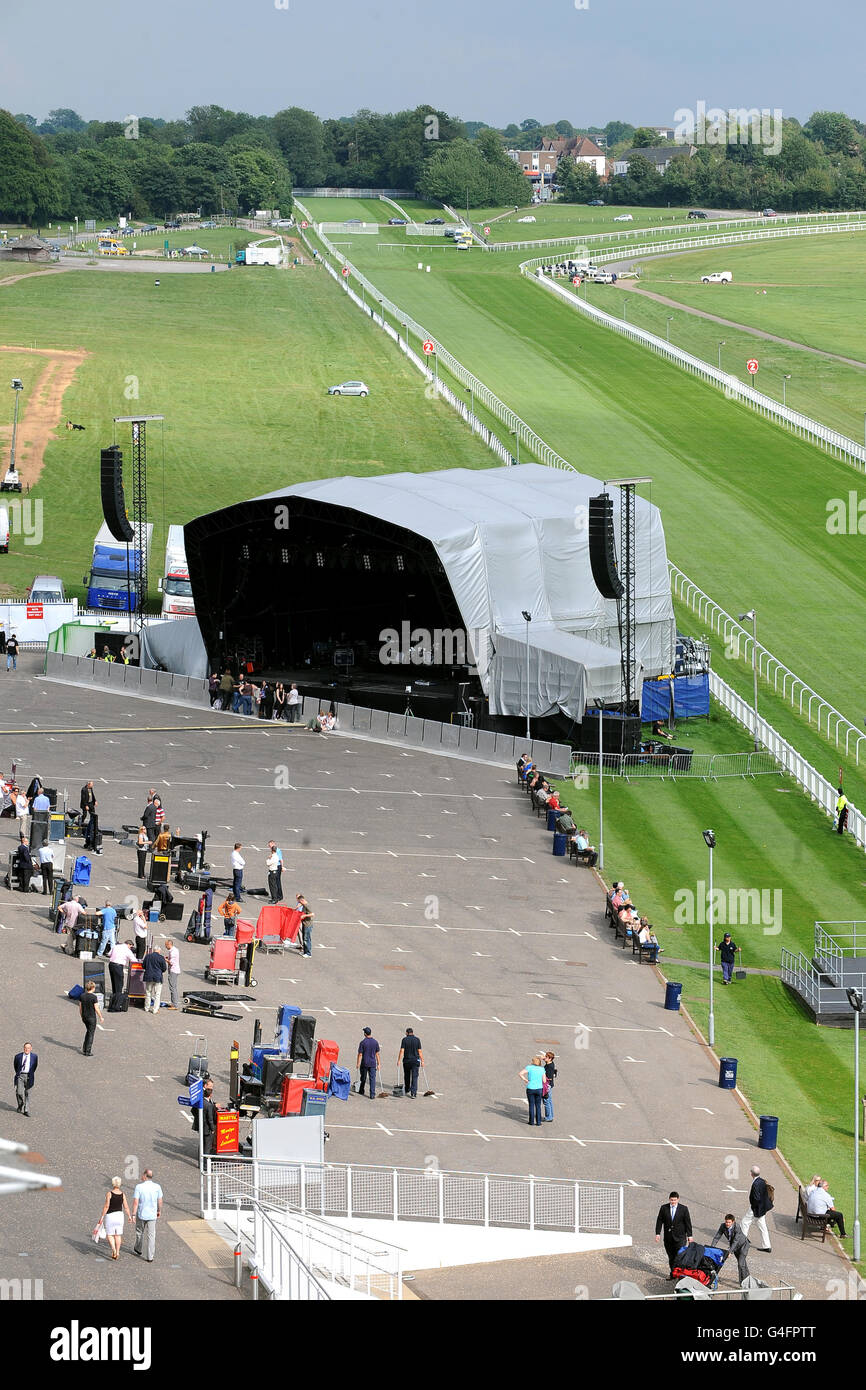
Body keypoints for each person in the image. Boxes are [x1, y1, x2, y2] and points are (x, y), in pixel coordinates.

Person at [655, 1191, 693, 1277]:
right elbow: (659, 1221)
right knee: (671, 1257)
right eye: (671, 1200)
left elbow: (688, 1223)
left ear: (678, 1199)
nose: (673, 1202)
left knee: (679, 1256)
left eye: (675, 1200)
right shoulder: (664, 1208)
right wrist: (658, 1233)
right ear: (669, 1199)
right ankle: (673, 1273)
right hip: (668, 1238)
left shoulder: (684, 1209)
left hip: (680, 1237)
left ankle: (680, 1273)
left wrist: (690, 1236)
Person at [132, 1169, 163, 1262]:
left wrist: (133, 1214)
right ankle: (150, 1256)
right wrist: (159, 1210)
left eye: (142, 1174)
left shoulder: (139, 1187)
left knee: (139, 1231)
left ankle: (138, 1248)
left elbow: (136, 1202)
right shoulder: (157, 1187)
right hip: (152, 1214)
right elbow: (160, 1200)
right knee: (151, 1235)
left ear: (145, 1175)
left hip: (141, 1213)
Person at [711, 1213, 751, 1284]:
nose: (727, 1224)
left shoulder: (737, 1227)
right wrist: (711, 1247)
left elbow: (736, 1241)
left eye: (729, 1222)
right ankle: (748, 1279)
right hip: (735, 1247)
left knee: (741, 1264)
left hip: (743, 1246)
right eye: (726, 1222)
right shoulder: (722, 1226)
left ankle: (743, 1283)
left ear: (733, 1222)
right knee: (742, 1263)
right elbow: (717, 1237)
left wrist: (729, 1252)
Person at [740, 1165, 774, 1251]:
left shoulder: (755, 1184)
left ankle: (742, 1242)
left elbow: (756, 1198)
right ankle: (767, 1246)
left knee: (744, 1222)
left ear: (751, 1173)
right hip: (762, 1208)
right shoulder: (762, 1181)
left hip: (756, 1209)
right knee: (762, 1227)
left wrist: (753, 1207)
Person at [98, 1177, 132, 1260]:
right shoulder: (123, 1194)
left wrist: (102, 1217)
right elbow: (126, 1207)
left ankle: (113, 1249)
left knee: (110, 1235)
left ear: (113, 1183)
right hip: (120, 1216)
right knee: (118, 1235)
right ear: (120, 1184)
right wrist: (129, 1216)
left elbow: (106, 1206)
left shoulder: (109, 1194)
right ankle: (117, 1251)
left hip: (111, 1216)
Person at [108, 938, 135, 1010]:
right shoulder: (127, 950)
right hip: (118, 966)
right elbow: (134, 960)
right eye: (131, 946)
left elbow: (109, 954)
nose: (131, 948)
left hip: (111, 965)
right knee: (119, 985)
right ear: (128, 944)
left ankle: (113, 1000)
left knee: (114, 983)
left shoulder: (116, 946)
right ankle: (116, 1005)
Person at [519, 1054, 546, 1127]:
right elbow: (544, 1081)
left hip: (530, 1088)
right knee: (538, 1106)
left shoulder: (529, 1067)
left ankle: (531, 1121)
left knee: (531, 1105)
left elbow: (520, 1073)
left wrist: (525, 1080)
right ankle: (538, 1122)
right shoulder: (542, 1069)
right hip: (539, 1089)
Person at [398, 1027, 424, 1099]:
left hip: (407, 1061)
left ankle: (407, 1089)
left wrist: (399, 1060)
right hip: (415, 1061)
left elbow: (402, 1051)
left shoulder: (404, 1040)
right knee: (415, 1077)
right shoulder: (417, 1040)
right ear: (412, 1032)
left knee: (407, 1075)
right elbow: (420, 1051)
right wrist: (422, 1061)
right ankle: (413, 1093)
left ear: (407, 1033)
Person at [13, 1042, 37, 1116]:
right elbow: (15, 1066)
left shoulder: (34, 1057)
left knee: (27, 1093)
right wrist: (19, 1073)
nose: (27, 1049)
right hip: (20, 1076)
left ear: (31, 1049)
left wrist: (30, 1073)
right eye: (25, 1048)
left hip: (29, 1076)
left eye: (28, 1048)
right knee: (19, 1092)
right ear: (23, 1048)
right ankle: (21, 1104)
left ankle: (26, 1110)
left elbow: (35, 1066)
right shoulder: (18, 1056)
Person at [142, 944, 167, 1014]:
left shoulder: (148, 956)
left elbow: (143, 966)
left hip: (148, 976)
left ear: (153, 950)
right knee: (157, 994)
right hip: (158, 977)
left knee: (148, 992)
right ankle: (155, 1010)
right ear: (159, 951)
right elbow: (164, 968)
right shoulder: (161, 957)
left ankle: (146, 1007)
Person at [80, 981, 102, 1055]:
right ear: (92, 988)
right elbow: (96, 1008)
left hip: (85, 1017)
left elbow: (80, 1008)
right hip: (91, 1018)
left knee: (88, 1032)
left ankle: (84, 1048)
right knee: (91, 1034)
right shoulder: (94, 997)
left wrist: (82, 1016)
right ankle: (87, 1051)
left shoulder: (82, 996)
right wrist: (101, 1017)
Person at [356, 1027, 380, 1099]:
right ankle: (372, 1094)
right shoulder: (375, 1042)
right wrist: (379, 1064)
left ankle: (361, 1090)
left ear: (365, 1034)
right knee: (372, 1079)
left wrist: (358, 1063)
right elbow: (377, 1054)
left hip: (364, 1063)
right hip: (372, 1063)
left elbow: (360, 1054)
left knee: (363, 1077)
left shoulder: (363, 1042)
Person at [164, 937, 181, 1010]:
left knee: (172, 988)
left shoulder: (173, 952)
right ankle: (173, 1003)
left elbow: (171, 963)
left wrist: (166, 960)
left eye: (166, 945)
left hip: (173, 971)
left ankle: (175, 1004)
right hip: (175, 970)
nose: (165, 946)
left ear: (169, 944)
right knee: (173, 987)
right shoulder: (174, 950)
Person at [542, 1051, 557, 1123]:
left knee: (546, 1101)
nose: (544, 1057)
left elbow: (549, 1078)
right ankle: (551, 1115)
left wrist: (546, 1087)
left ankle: (548, 1117)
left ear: (550, 1058)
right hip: (550, 1084)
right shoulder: (549, 1064)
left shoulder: (550, 1067)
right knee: (549, 1100)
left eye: (546, 1057)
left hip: (547, 1085)